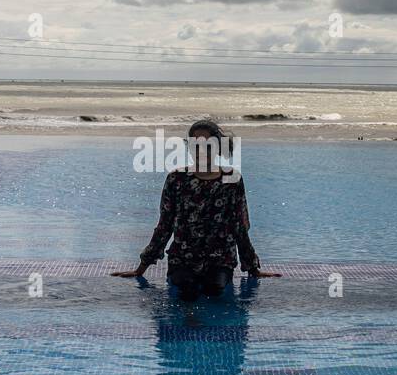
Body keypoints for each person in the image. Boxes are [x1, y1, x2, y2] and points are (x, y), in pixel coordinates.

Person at [112, 119, 279, 300]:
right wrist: (141, 267)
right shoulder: (176, 179)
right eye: (195, 144)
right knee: (186, 289)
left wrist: (253, 268)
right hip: (183, 258)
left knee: (214, 289)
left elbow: (240, 226)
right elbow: (165, 225)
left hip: (220, 260)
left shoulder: (232, 180)